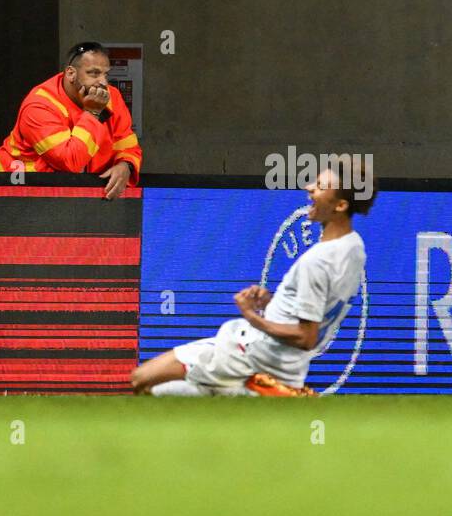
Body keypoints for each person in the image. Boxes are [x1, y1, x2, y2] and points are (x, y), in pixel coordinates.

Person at [131, 168, 371, 397]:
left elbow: (305, 337)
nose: (309, 188)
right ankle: (246, 392)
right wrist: (272, 303)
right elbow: (319, 308)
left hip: (247, 353)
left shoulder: (316, 262)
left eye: (319, 187)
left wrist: (250, 315)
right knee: (180, 393)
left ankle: (254, 390)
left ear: (340, 205)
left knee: (141, 380)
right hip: (288, 366)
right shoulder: (355, 247)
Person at [0, 41, 142, 199]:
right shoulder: (39, 106)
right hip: (10, 192)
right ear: (71, 73)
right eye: (94, 73)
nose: (103, 83)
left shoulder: (111, 97)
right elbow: (70, 162)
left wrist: (126, 165)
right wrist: (92, 112)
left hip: (65, 194)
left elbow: (128, 145)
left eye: (106, 74)